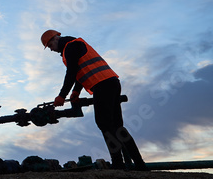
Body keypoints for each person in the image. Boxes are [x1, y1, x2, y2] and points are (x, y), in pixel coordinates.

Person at [41, 29, 147, 171]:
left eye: (50, 46)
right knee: (117, 126)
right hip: (112, 82)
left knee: (104, 123)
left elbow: (71, 73)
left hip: (102, 86)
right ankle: (140, 165)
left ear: (55, 38)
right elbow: (80, 70)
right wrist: (76, 91)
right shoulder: (75, 44)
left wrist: (62, 96)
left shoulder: (70, 47)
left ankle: (118, 165)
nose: (51, 50)